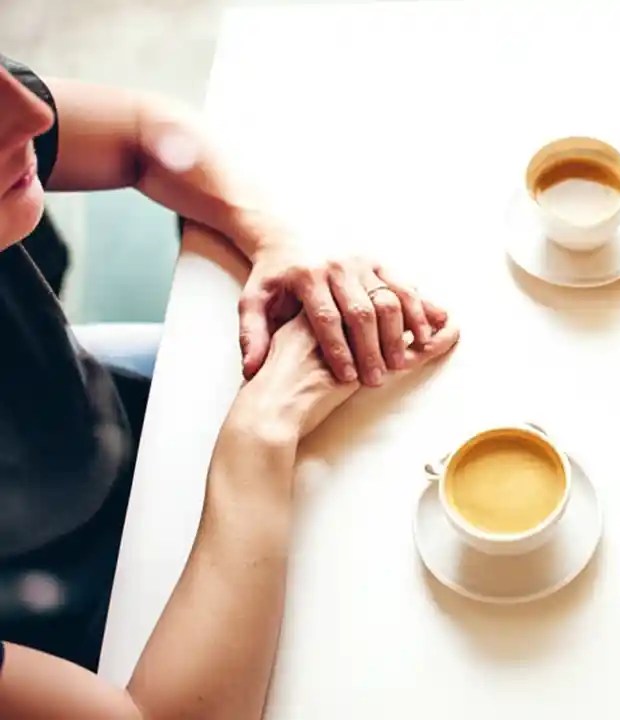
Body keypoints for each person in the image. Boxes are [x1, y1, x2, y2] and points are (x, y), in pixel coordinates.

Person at [0, 53, 458, 694]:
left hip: (82, 420)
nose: (34, 112)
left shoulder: (7, 121)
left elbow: (140, 133)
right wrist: (261, 426)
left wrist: (273, 236)